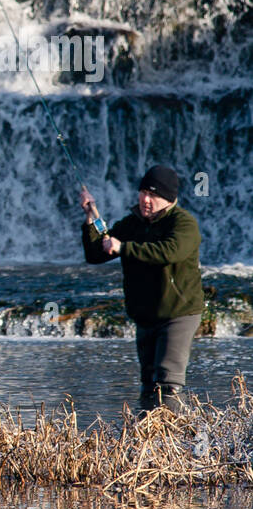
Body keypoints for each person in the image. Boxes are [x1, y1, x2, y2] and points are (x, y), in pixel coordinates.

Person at [79, 165, 205, 411]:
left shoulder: (184, 224)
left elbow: (169, 252)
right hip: (146, 315)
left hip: (179, 313)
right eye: (143, 192)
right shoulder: (132, 224)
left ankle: (175, 440)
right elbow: (95, 254)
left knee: (167, 382)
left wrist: (123, 248)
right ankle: (147, 441)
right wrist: (90, 218)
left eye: (153, 195)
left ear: (168, 199)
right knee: (148, 385)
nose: (146, 200)